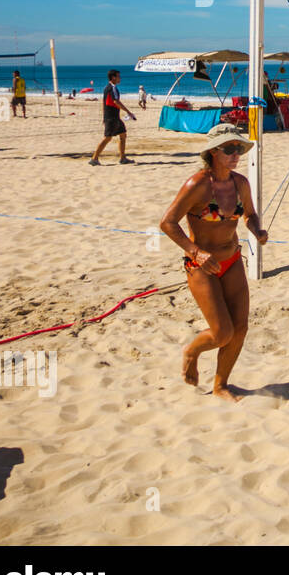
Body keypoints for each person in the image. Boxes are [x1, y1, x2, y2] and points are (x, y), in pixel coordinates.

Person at [160, 124, 268, 402]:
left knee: (240, 329)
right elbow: (167, 223)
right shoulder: (197, 184)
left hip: (232, 260)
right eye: (229, 149)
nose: (235, 154)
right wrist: (195, 251)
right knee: (221, 333)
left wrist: (257, 230)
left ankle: (221, 386)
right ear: (212, 152)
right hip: (202, 266)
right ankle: (192, 352)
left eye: (238, 148)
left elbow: (250, 215)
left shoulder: (240, 182)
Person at [90, 69, 136, 165]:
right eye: (118, 76)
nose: (120, 78)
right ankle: (94, 159)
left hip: (114, 117)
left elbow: (105, 103)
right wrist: (128, 112)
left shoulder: (107, 88)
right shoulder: (112, 88)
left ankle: (123, 158)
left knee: (123, 134)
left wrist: (104, 117)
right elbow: (116, 101)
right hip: (112, 118)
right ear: (113, 77)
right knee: (107, 138)